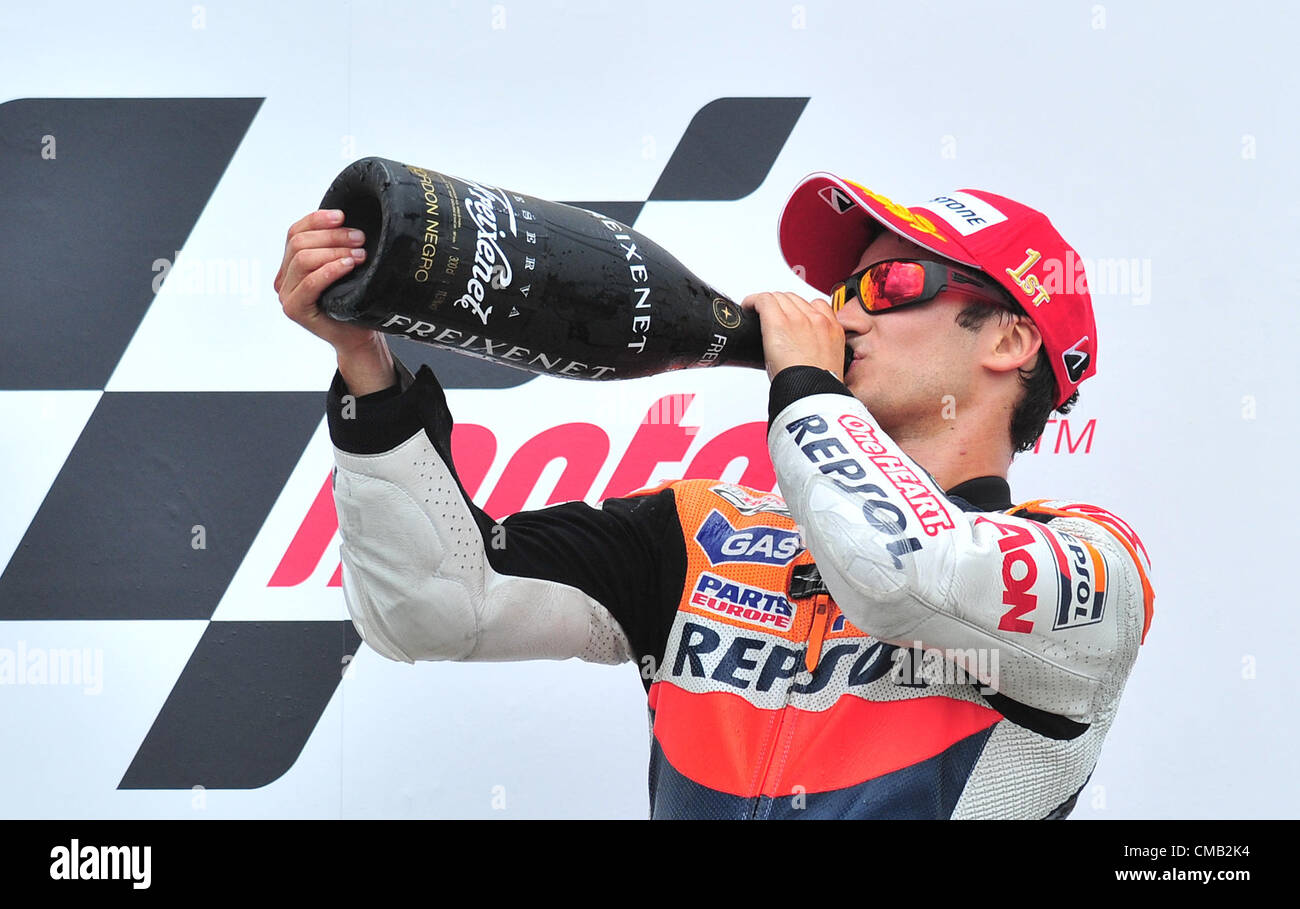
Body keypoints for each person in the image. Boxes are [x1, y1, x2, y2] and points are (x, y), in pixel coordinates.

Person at [276, 172, 1154, 819]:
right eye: (841, 293)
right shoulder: (704, 532)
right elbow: (429, 605)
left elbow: (900, 569)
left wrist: (807, 381)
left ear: (1010, 338)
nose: (845, 315)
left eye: (887, 287)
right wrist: (368, 369)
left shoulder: (1091, 568)